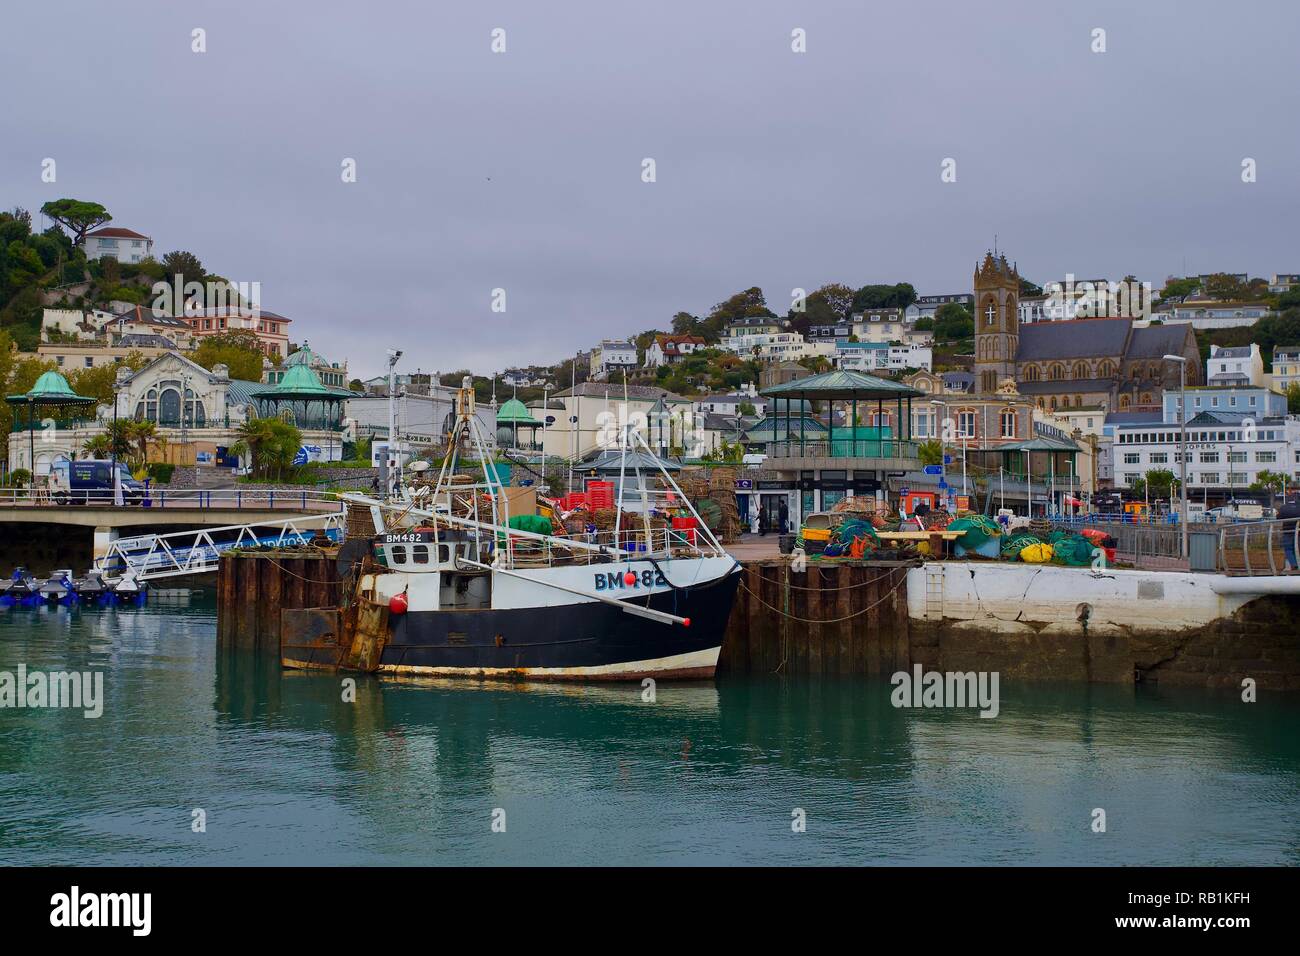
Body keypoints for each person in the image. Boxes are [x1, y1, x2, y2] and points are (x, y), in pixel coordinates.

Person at [1279, 497, 1300, 571]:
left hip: (1287, 530)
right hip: (1298, 531)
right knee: (1297, 548)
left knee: (1288, 549)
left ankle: (1293, 565)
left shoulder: (1283, 508)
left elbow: (1278, 518)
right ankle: (1297, 564)